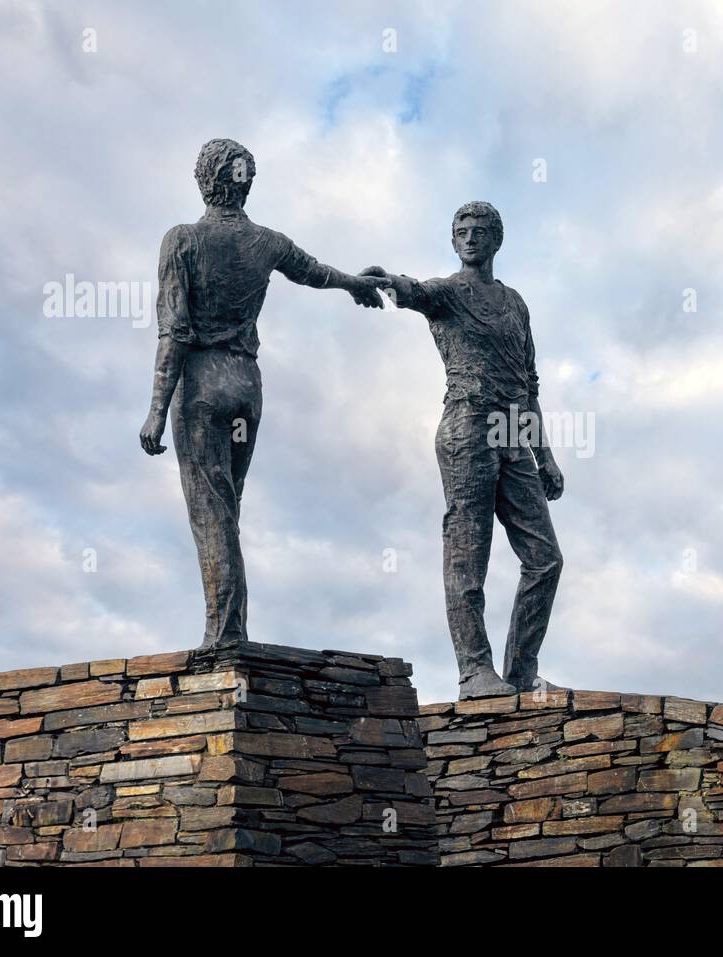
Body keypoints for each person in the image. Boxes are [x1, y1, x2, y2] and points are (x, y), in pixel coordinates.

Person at [139, 138, 389, 649]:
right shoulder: (267, 242)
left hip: (204, 384)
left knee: (212, 512)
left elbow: (175, 332)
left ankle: (225, 635)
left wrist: (155, 411)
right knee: (227, 507)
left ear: (204, 179)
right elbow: (314, 271)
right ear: (244, 181)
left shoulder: (182, 240)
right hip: (247, 387)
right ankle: (230, 628)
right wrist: (353, 284)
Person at [363, 202, 564, 699]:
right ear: (453, 241)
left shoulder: (516, 303)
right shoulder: (450, 293)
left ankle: (520, 672)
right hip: (467, 428)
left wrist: (546, 456)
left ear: (496, 240)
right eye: (461, 231)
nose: (470, 238)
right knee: (468, 557)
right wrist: (386, 281)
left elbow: (529, 381)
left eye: (480, 231)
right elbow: (415, 292)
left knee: (545, 558)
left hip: (513, 434)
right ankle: (475, 671)